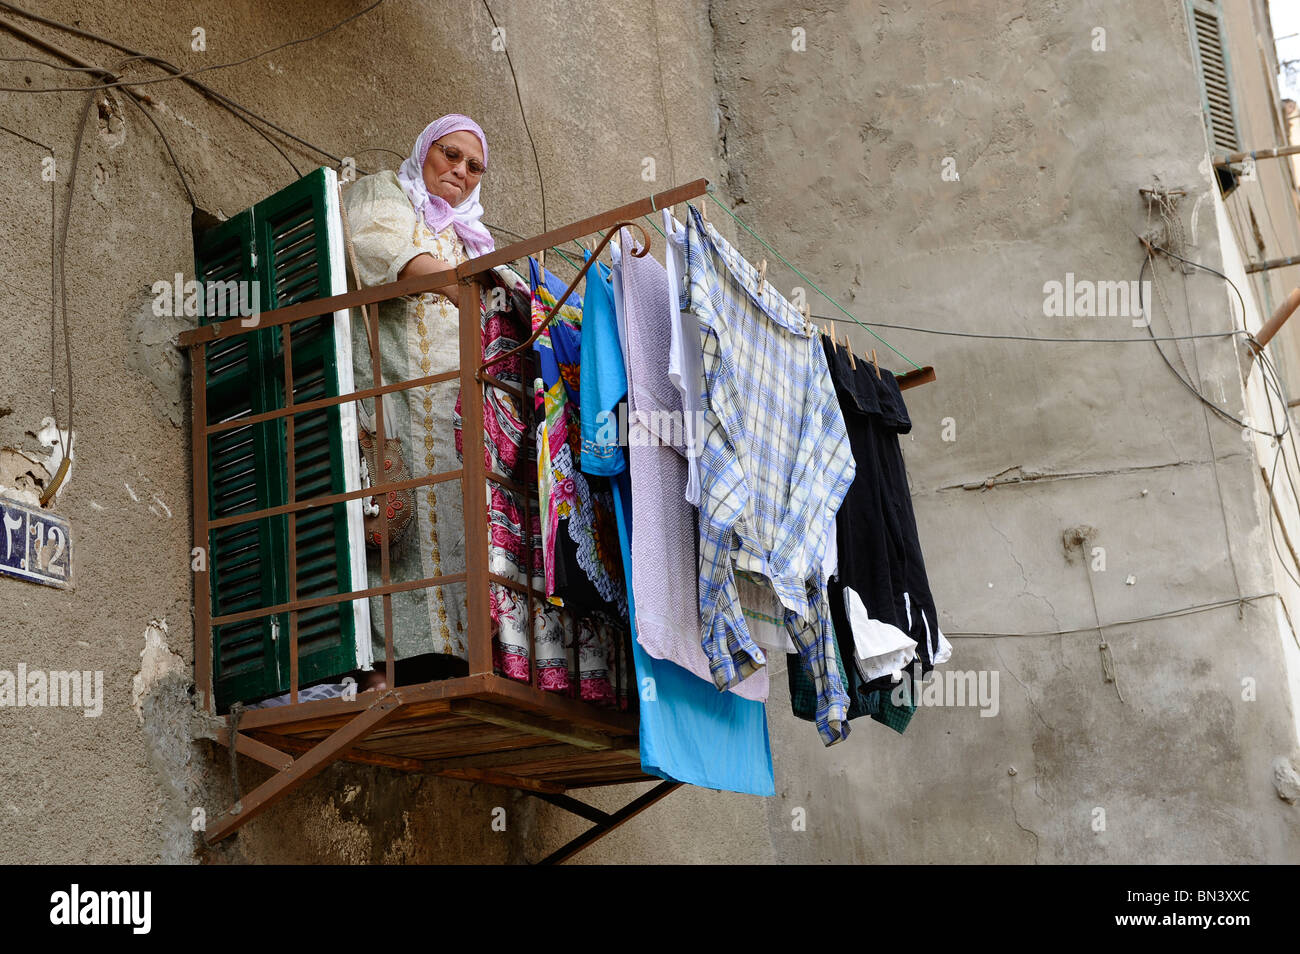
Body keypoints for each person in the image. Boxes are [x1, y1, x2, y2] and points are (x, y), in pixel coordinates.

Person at [341, 114, 496, 691]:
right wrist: (474, 285)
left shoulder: (469, 238)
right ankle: (379, 669)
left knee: (453, 538)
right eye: (449, 155)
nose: (459, 171)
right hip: (394, 400)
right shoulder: (385, 192)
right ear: (423, 151)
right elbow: (390, 255)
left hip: (451, 420)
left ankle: (445, 666)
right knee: (391, 527)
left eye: (473, 166)